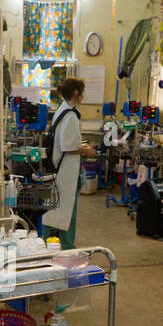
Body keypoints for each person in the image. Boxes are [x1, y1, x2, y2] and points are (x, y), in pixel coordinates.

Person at [42, 78, 94, 247]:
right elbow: (67, 145)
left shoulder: (62, 110)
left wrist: (80, 146)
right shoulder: (70, 115)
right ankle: (66, 247)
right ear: (76, 92)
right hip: (66, 171)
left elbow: (65, 142)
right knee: (66, 211)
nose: (83, 96)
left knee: (59, 210)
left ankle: (53, 243)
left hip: (61, 168)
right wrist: (85, 150)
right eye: (82, 92)